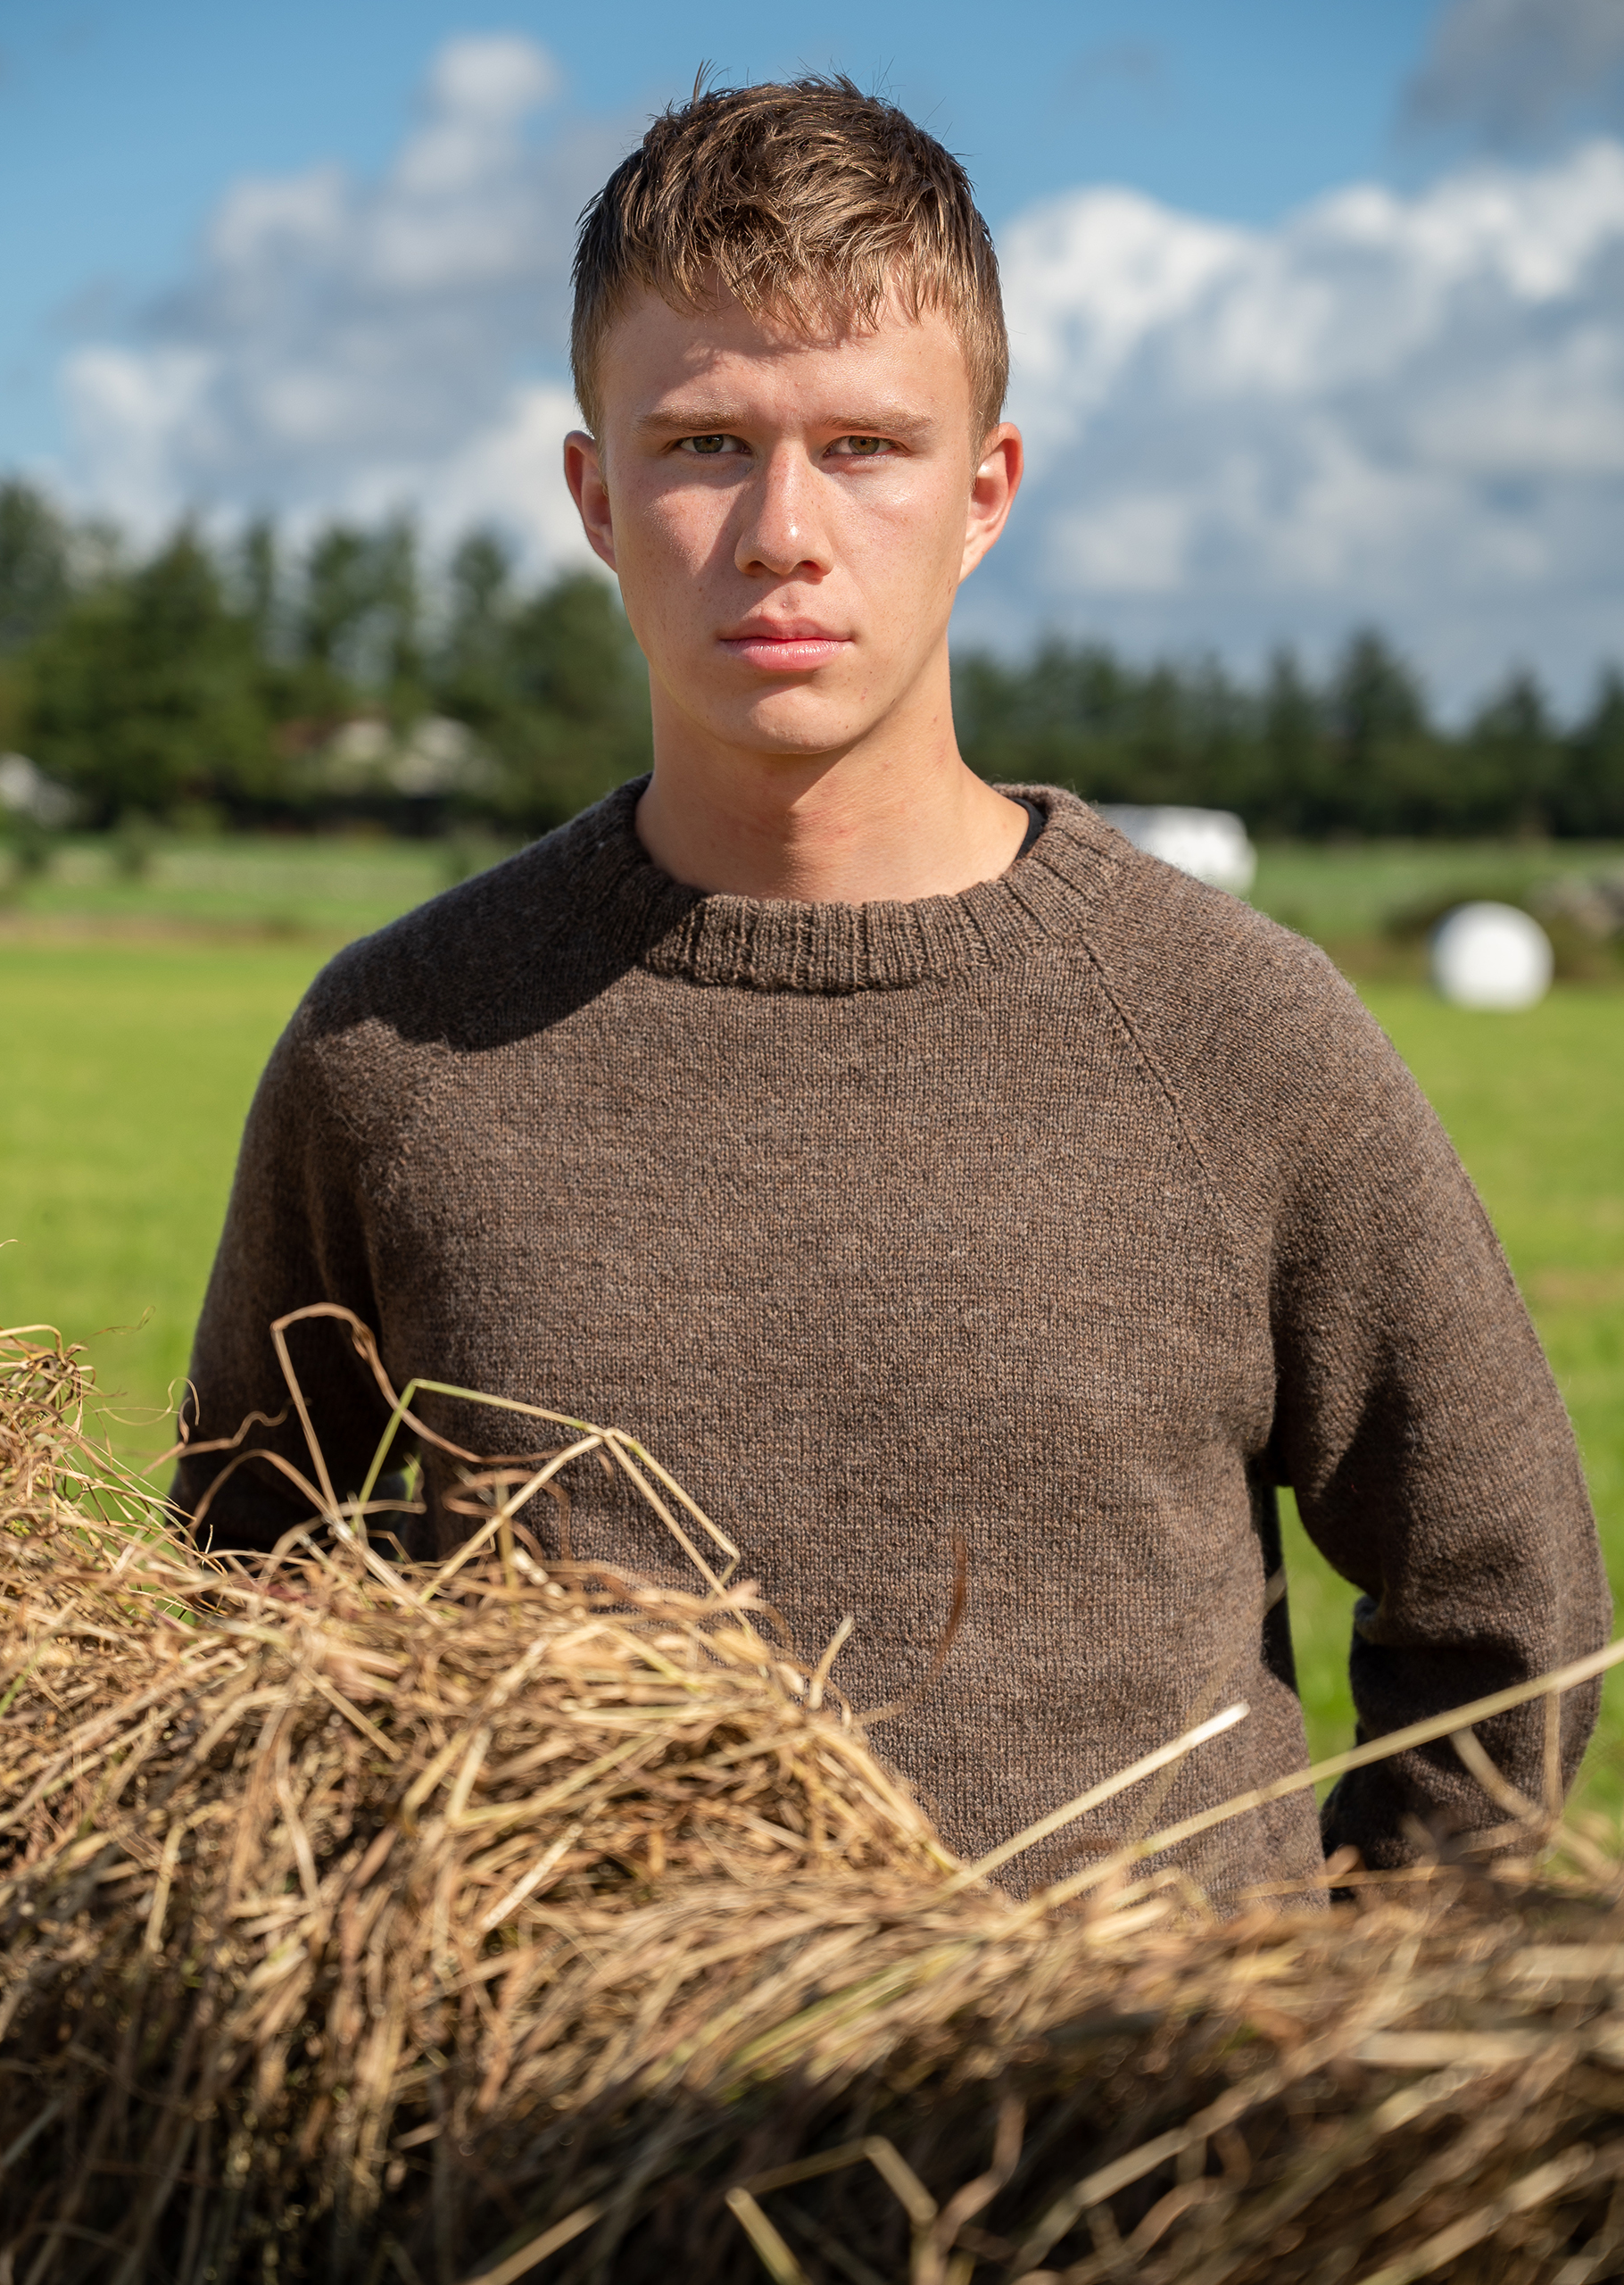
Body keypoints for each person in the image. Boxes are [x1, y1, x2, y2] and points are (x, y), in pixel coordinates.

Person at [171, 76, 1608, 1904]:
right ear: (594, 494)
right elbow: (240, 1608)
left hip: (1116, 2155)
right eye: (702, 442)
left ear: (985, 491)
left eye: (866, 445)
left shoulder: (1239, 1035)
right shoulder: (398, 1050)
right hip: (560, 2171)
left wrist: (1326, 2086)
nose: (783, 529)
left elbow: (1508, 1607)